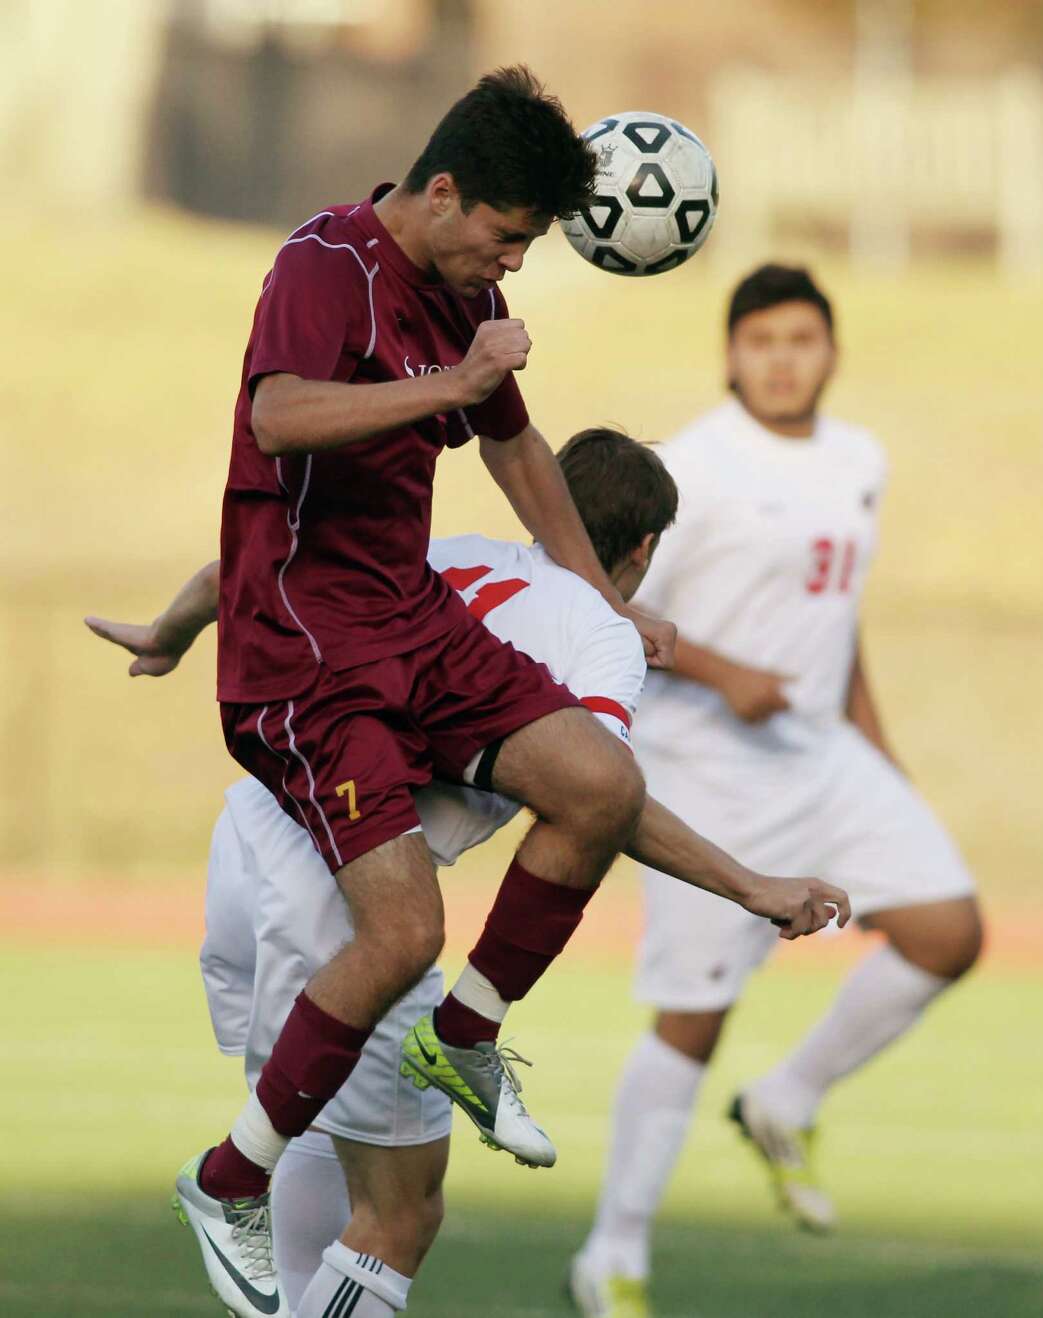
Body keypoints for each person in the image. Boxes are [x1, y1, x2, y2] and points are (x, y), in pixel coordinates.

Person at [113, 63, 679, 1318]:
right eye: (510, 238)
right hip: (308, 656)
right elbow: (280, 419)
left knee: (598, 782)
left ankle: (466, 1040)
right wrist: (455, 388)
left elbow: (522, 451)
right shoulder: (325, 266)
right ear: (441, 192)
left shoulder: (446, 286)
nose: (516, 267)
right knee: (403, 933)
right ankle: (226, 1181)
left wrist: (605, 610)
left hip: (406, 625)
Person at [89, 428, 850, 1317]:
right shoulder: (600, 640)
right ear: (643, 550)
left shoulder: (445, 557)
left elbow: (251, 571)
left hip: (249, 836)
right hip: (354, 897)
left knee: (313, 1115)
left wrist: (170, 633)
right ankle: (453, 1044)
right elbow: (604, 803)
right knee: (401, 1211)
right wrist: (750, 884)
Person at [570, 266, 984, 1318]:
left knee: (948, 930)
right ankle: (611, 1252)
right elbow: (608, 606)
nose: (784, 357)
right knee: (694, 1020)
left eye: (803, 337)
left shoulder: (859, 460)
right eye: (763, 340)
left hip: (827, 754)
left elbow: (837, 625)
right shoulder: (692, 467)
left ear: (831, 351)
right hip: (711, 771)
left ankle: (788, 1097)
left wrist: (879, 753)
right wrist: (724, 675)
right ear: (732, 354)